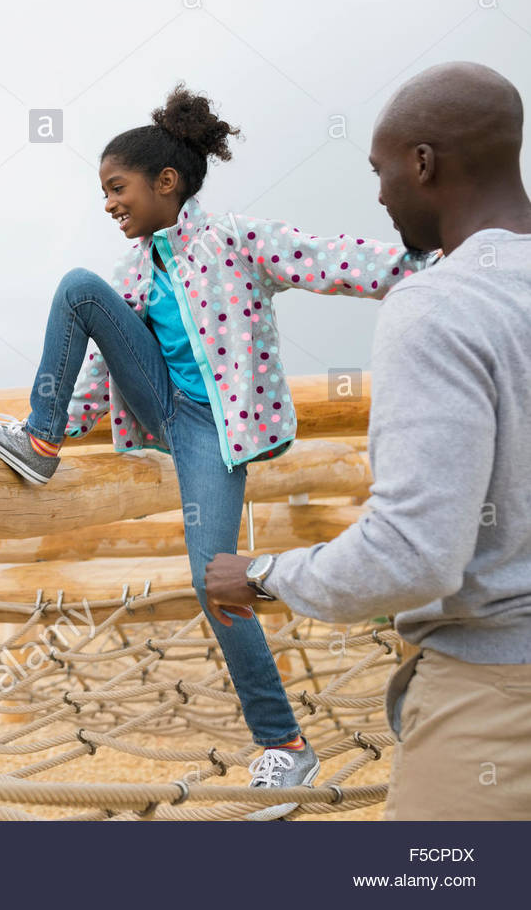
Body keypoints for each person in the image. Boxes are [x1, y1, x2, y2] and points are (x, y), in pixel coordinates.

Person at [0, 84, 436, 818]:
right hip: (164, 409)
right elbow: (102, 364)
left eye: (117, 189)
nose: (110, 204)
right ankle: (38, 441)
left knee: (218, 580)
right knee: (79, 287)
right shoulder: (135, 271)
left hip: (219, 430)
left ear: (166, 182)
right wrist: (65, 423)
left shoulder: (233, 241)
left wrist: (429, 266)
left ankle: (285, 747)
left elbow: (322, 257)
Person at [205, 61, 531, 820]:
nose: (379, 194)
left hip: (497, 700)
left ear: (423, 164)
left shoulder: (441, 306)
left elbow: (415, 554)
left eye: (381, 170)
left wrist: (262, 574)